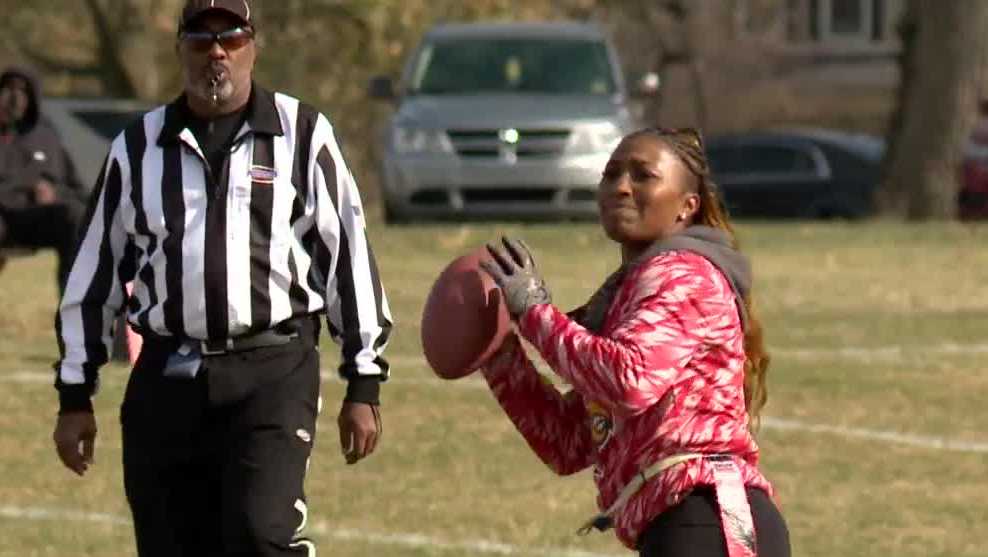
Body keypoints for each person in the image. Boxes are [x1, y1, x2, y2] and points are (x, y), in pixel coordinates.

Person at [51, 1, 393, 555]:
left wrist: (364, 381)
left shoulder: (301, 133)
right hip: (166, 373)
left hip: (271, 366)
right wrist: (74, 395)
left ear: (253, 46)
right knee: (170, 544)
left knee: (261, 535)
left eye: (230, 38)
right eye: (200, 39)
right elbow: (95, 276)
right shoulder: (137, 148)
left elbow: (346, 254)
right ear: (178, 49)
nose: (216, 53)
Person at [479, 127, 790, 556]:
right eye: (611, 175)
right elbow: (567, 441)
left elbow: (629, 379)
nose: (621, 187)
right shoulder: (628, 294)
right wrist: (497, 354)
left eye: (643, 176)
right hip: (681, 526)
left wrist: (533, 311)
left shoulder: (685, 274)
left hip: (710, 519)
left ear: (687, 207)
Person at [0, 66, 88, 291]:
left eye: (22, 90)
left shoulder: (46, 137)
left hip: (31, 217)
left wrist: (54, 192)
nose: (14, 97)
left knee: (74, 215)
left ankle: (72, 307)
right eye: (8, 89)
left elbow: (78, 189)